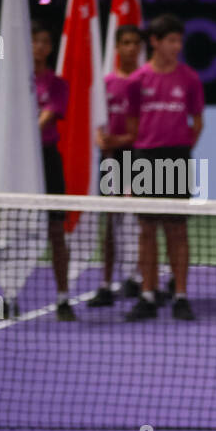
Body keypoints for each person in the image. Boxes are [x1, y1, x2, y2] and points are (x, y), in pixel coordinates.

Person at [124, 14, 204, 321]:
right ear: (154, 42)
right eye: (171, 40)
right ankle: (147, 294)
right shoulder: (137, 81)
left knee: (177, 229)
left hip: (178, 156)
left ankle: (180, 295)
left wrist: (180, 148)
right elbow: (133, 127)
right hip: (145, 157)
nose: (177, 46)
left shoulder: (190, 79)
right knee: (146, 230)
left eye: (179, 40)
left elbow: (197, 123)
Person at [89, 24, 143, 308]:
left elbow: (145, 126)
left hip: (140, 158)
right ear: (118, 47)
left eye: (136, 43)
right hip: (112, 159)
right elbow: (98, 121)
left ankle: (139, 279)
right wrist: (102, 139)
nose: (131, 48)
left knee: (144, 221)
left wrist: (122, 139)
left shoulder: (145, 81)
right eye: (126, 43)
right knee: (111, 222)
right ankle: (106, 283)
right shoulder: (105, 83)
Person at [30, 22, 74, 321]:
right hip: (18, 163)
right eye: (35, 41)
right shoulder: (6, 84)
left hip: (46, 159)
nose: (41, 46)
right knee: (11, 230)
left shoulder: (57, 84)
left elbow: (47, 117)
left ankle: (62, 298)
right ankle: (7, 296)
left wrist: (27, 131)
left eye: (46, 41)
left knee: (56, 232)